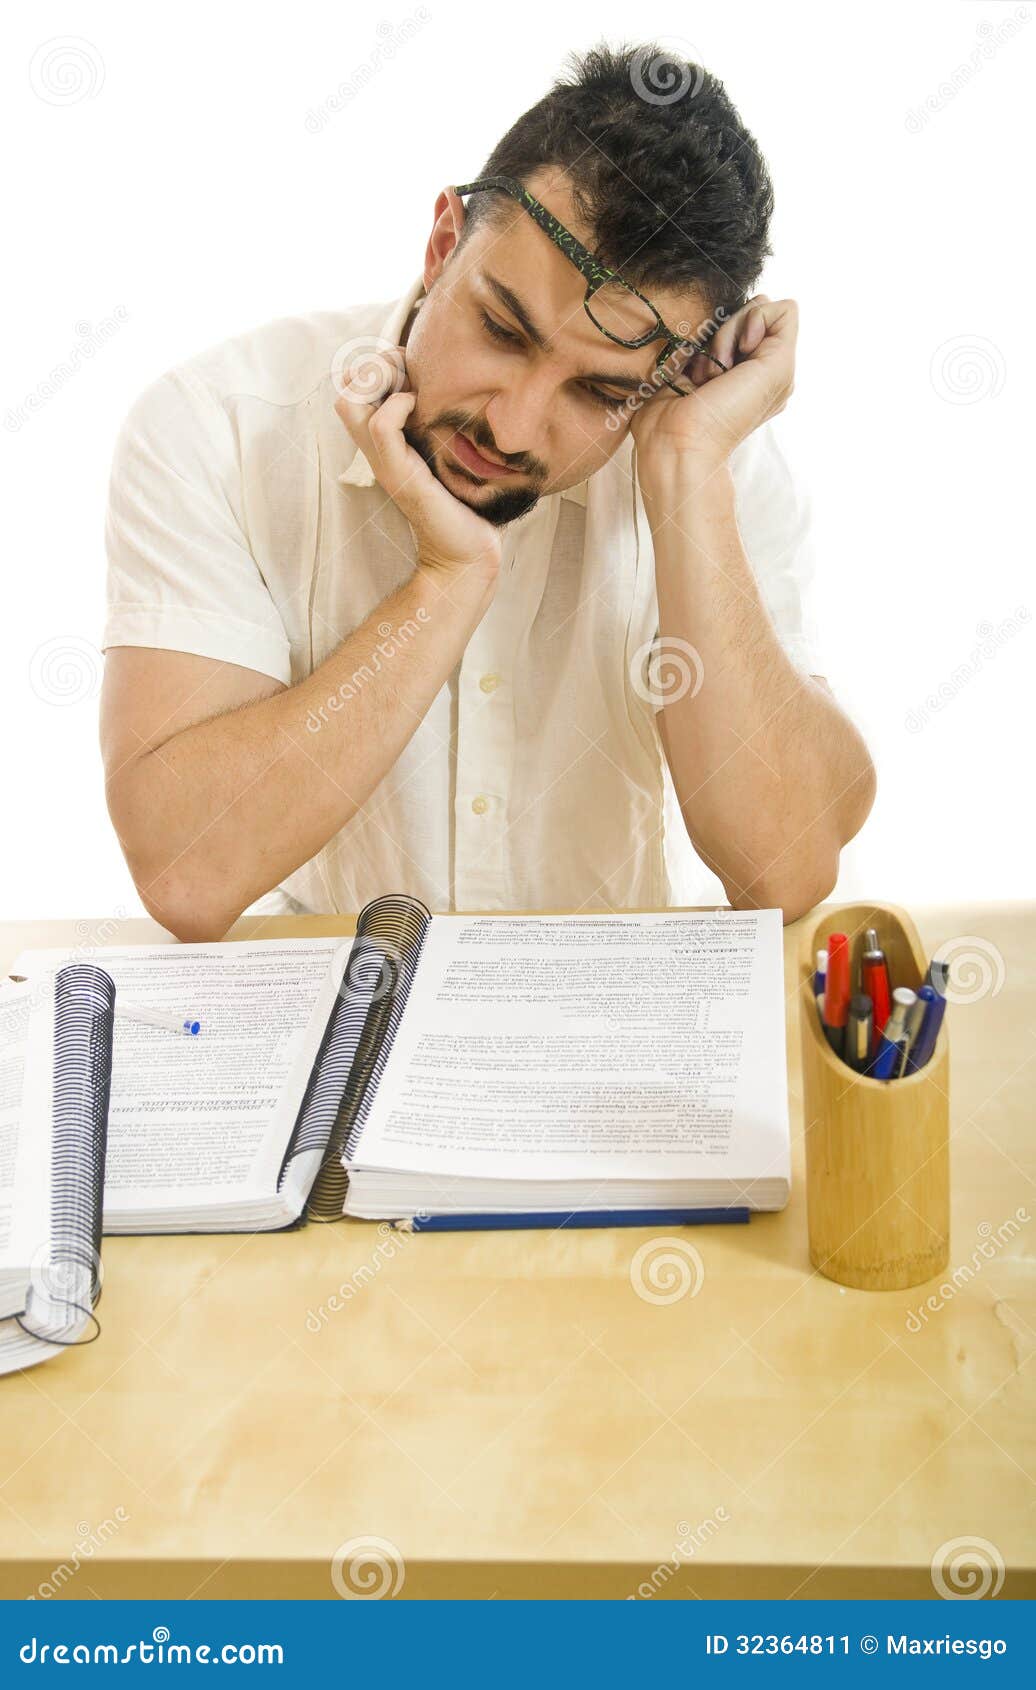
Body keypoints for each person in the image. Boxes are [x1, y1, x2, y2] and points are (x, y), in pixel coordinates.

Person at [99, 41, 875, 942]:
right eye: (503, 331)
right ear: (441, 247)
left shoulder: (708, 461)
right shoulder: (218, 425)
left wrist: (688, 471)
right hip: (333, 1019)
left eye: (599, 390)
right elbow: (186, 871)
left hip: (604, 1022)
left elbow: (785, 865)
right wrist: (447, 579)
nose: (511, 428)